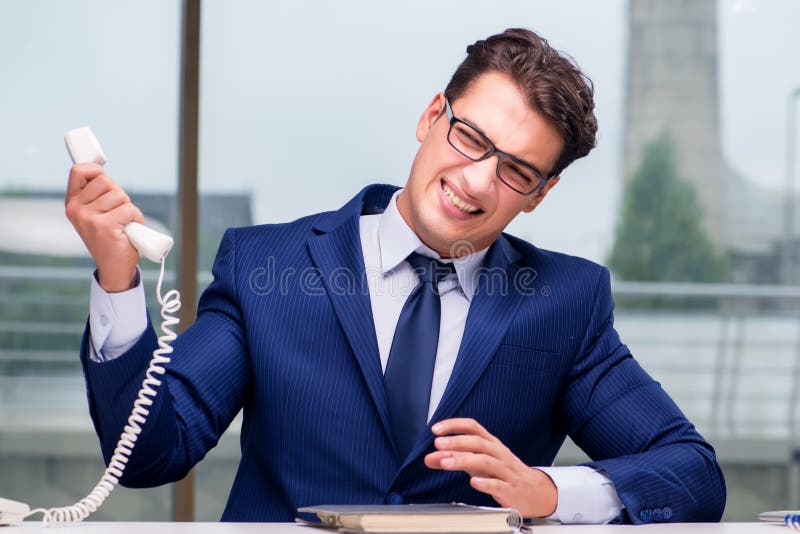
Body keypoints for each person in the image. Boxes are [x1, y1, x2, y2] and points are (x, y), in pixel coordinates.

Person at [64, 28, 726, 524]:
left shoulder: (565, 302)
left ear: (539, 194)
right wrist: (119, 281)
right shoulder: (268, 268)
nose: (477, 181)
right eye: (471, 138)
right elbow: (149, 454)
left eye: (517, 171)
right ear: (431, 116)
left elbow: (692, 474)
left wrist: (548, 492)